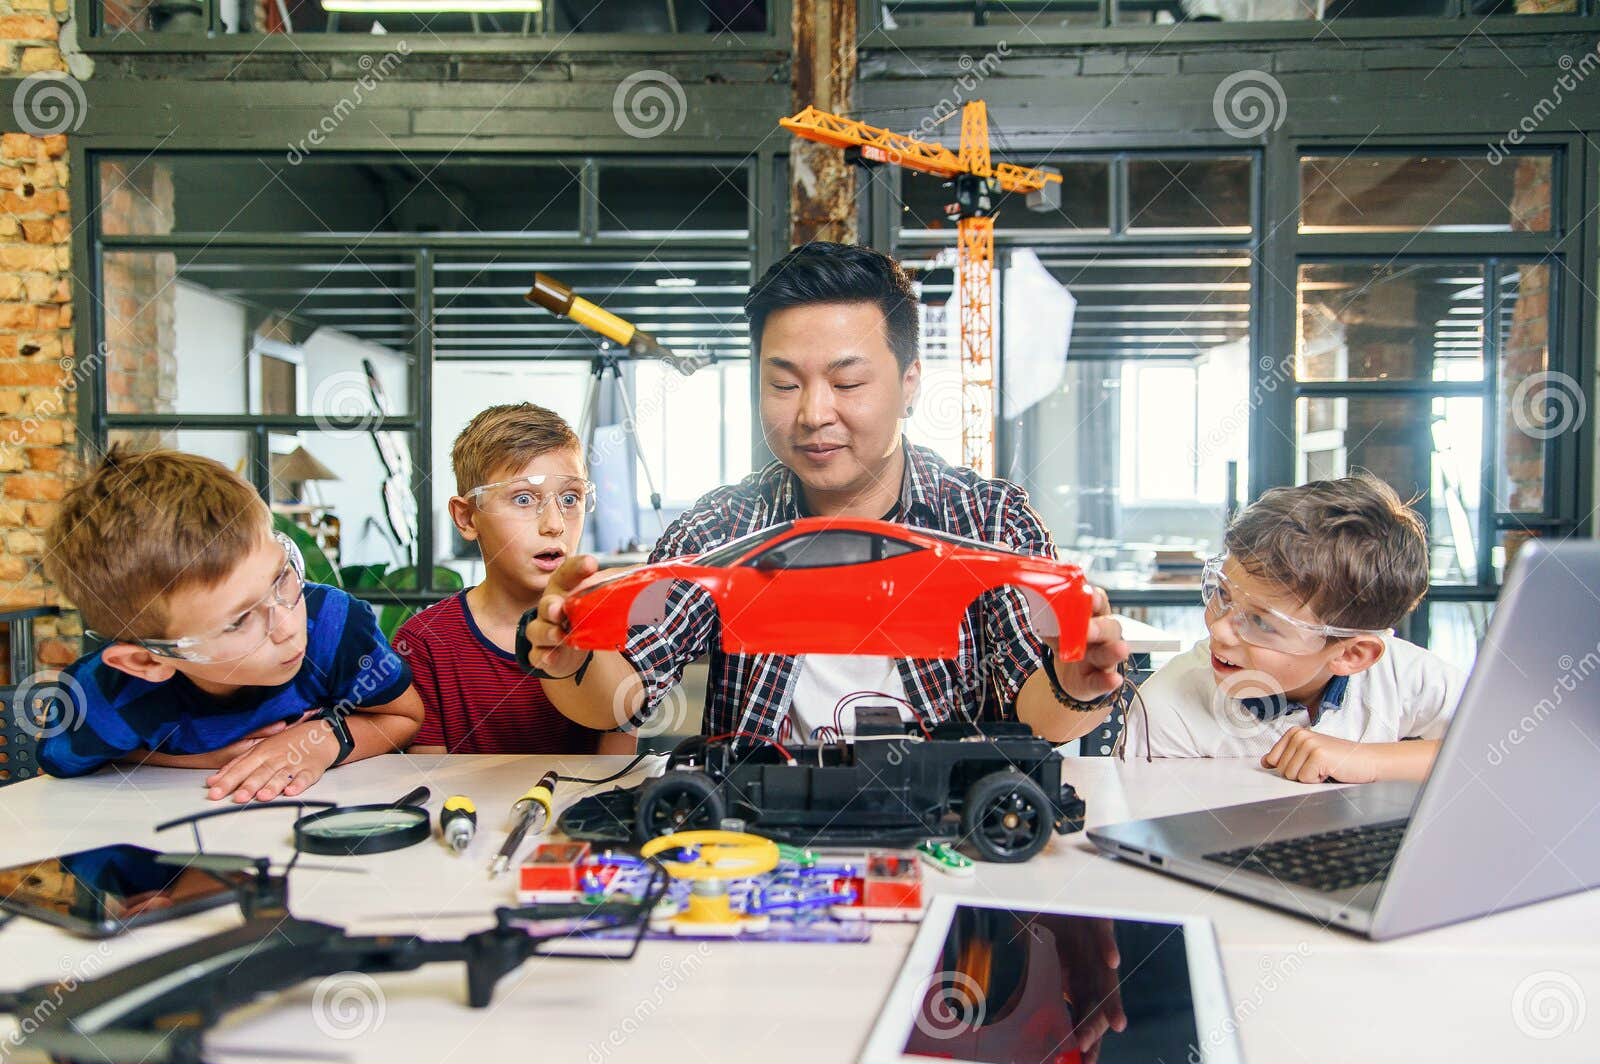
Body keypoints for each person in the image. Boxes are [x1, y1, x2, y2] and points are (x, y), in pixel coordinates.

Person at [521, 241, 1129, 744]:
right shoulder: (722, 527)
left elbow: (1037, 716)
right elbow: (623, 689)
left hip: (945, 845)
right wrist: (572, 658)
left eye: (848, 381)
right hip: (760, 845)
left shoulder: (986, 520)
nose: (814, 413)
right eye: (784, 384)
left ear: (909, 382)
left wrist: (1071, 684)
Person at [39, 448, 423, 802]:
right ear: (148, 662)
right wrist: (203, 758)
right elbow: (58, 765)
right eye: (240, 621)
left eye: (282, 577)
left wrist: (324, 738)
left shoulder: (333, 624)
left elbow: (404, 716)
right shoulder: (108, 697)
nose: (287, 625)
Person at [1124, 475, 1466, 782]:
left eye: (1260, 621)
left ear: (1351, 654)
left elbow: (1506, 750)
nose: (1220, 630)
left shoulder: (1404, 676)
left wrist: (1370, 760)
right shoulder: (1168, 707)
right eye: (1223, 594)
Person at [396, 403, 632, 755]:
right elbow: (432, 790)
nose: (554, 523)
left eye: (570, 498)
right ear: (466, 518)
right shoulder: (426, 645)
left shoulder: (608, 625)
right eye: (523, 498)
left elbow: (616, 775)